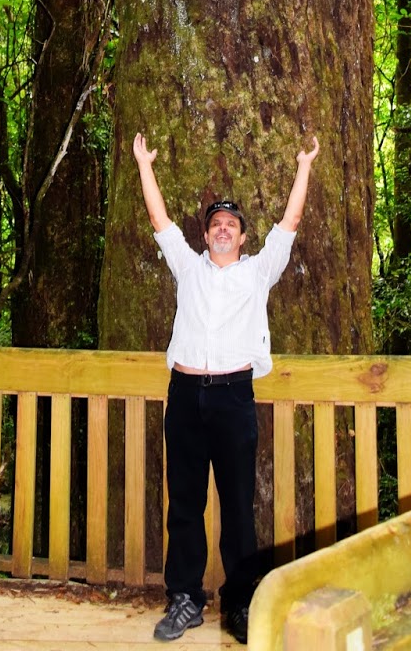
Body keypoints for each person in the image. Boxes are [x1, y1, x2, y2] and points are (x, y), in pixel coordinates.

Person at [132, 130, 320, 645]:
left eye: (230, 225)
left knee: (238, 505)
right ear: (206, 234)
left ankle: (241, 604)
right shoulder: (187, 268)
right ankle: (185, 599)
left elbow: (291, 222)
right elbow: (159, 220)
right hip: (186, 397)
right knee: (185, 503)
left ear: (241, 237)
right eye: (215, 224)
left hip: (235, 396)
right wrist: (144, 164)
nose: (222, 230)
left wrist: (303, 164)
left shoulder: (259, 272)